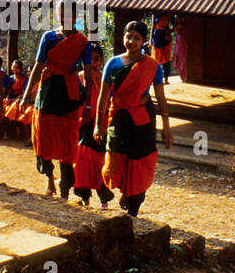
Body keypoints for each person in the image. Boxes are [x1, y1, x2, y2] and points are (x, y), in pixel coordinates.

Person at [96, 19, 173, 216]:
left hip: (143, 119)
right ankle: (125, 193)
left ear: (143, 41)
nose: (132, 41)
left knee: (141, 162)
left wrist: (166, 127)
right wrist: (99, 124)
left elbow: (161, 98)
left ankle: (134, 207)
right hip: (120, 119)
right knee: (114, 160)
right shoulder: (113, 64)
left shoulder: (152, 66)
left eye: (137, 38)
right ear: (123, 37)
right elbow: (103, 97)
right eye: (128, 37)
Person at [20, 1, 91, 198]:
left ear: (77, 15)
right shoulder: (49, 37)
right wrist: (26, 95)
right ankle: (49, 176)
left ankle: (66, 188)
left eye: (70, 13)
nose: (65, 17)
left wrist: (89, 104)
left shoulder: (82, 42)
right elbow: (38, 66)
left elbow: (88, 74)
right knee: (43, 137)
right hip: (48, 91)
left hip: (69, 92)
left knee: (68, 140)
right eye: (62, 13)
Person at [72, 43, 115, 208]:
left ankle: (104, 200)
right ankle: (85, 199)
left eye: (96, 59)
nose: (92, 62)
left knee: (100, 163)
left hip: (102, 125)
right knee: (82, 162)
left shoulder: (106, 79)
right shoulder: (79, 78)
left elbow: (110, 100)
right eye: (89, 59)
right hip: (84, 124)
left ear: (102, 60)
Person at [4, 59, 34, 141]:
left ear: (21, 69)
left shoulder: (25, 79)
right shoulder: (10, 78)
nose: (15, 69)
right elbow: (9, 91)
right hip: (12, 99)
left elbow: (24, 93)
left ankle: (10, 133)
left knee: (13, 108)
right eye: (14, 67)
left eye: (17, 68)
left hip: (21, 99)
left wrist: (16, 99)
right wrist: (7, 98)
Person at [151, 12, 174, 83]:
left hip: (166, 36)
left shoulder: (170, 13)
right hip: (157, 35)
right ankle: (154, 77)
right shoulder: (155, 12)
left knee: (166, 58)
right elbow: (153, 26)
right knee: (156, 58)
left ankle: (166, 78)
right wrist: (150, 39)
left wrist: (169, 31)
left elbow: (174, 25)